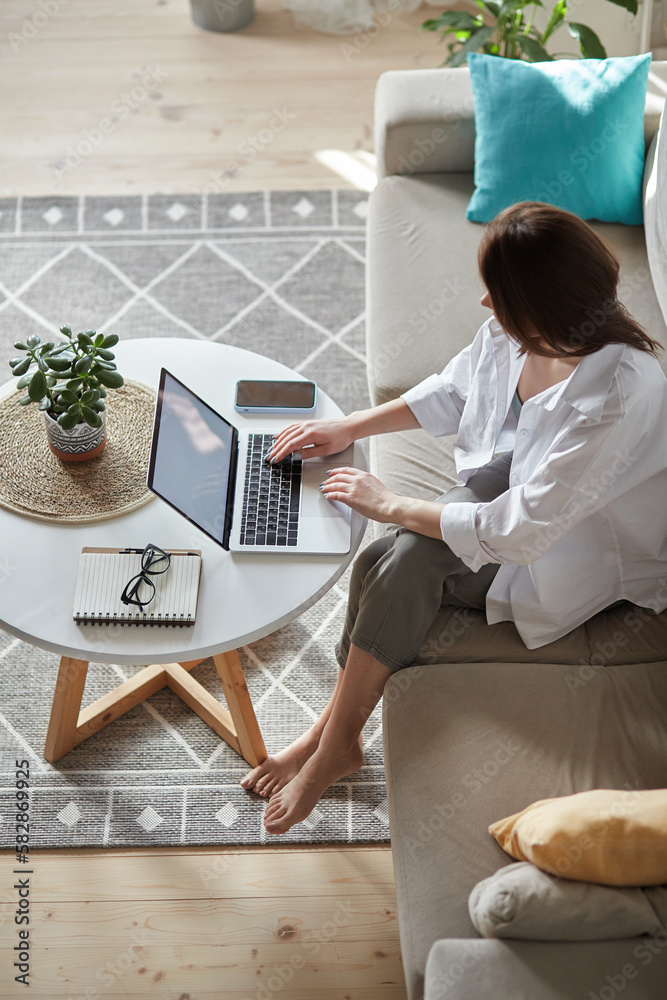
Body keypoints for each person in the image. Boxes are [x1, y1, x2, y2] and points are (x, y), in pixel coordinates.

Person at [240, 201, 667, 835]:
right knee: (380, 559)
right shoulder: (519, 332)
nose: (486, 306)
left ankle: (334, 745)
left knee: (405, 557)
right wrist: (347, 426)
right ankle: (334, 733)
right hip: (516, 487)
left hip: (574, 544)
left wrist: (388, 504)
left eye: (499, 296)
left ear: (545, 309)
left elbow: (523, 532)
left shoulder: (620, 396)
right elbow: (454, 388)